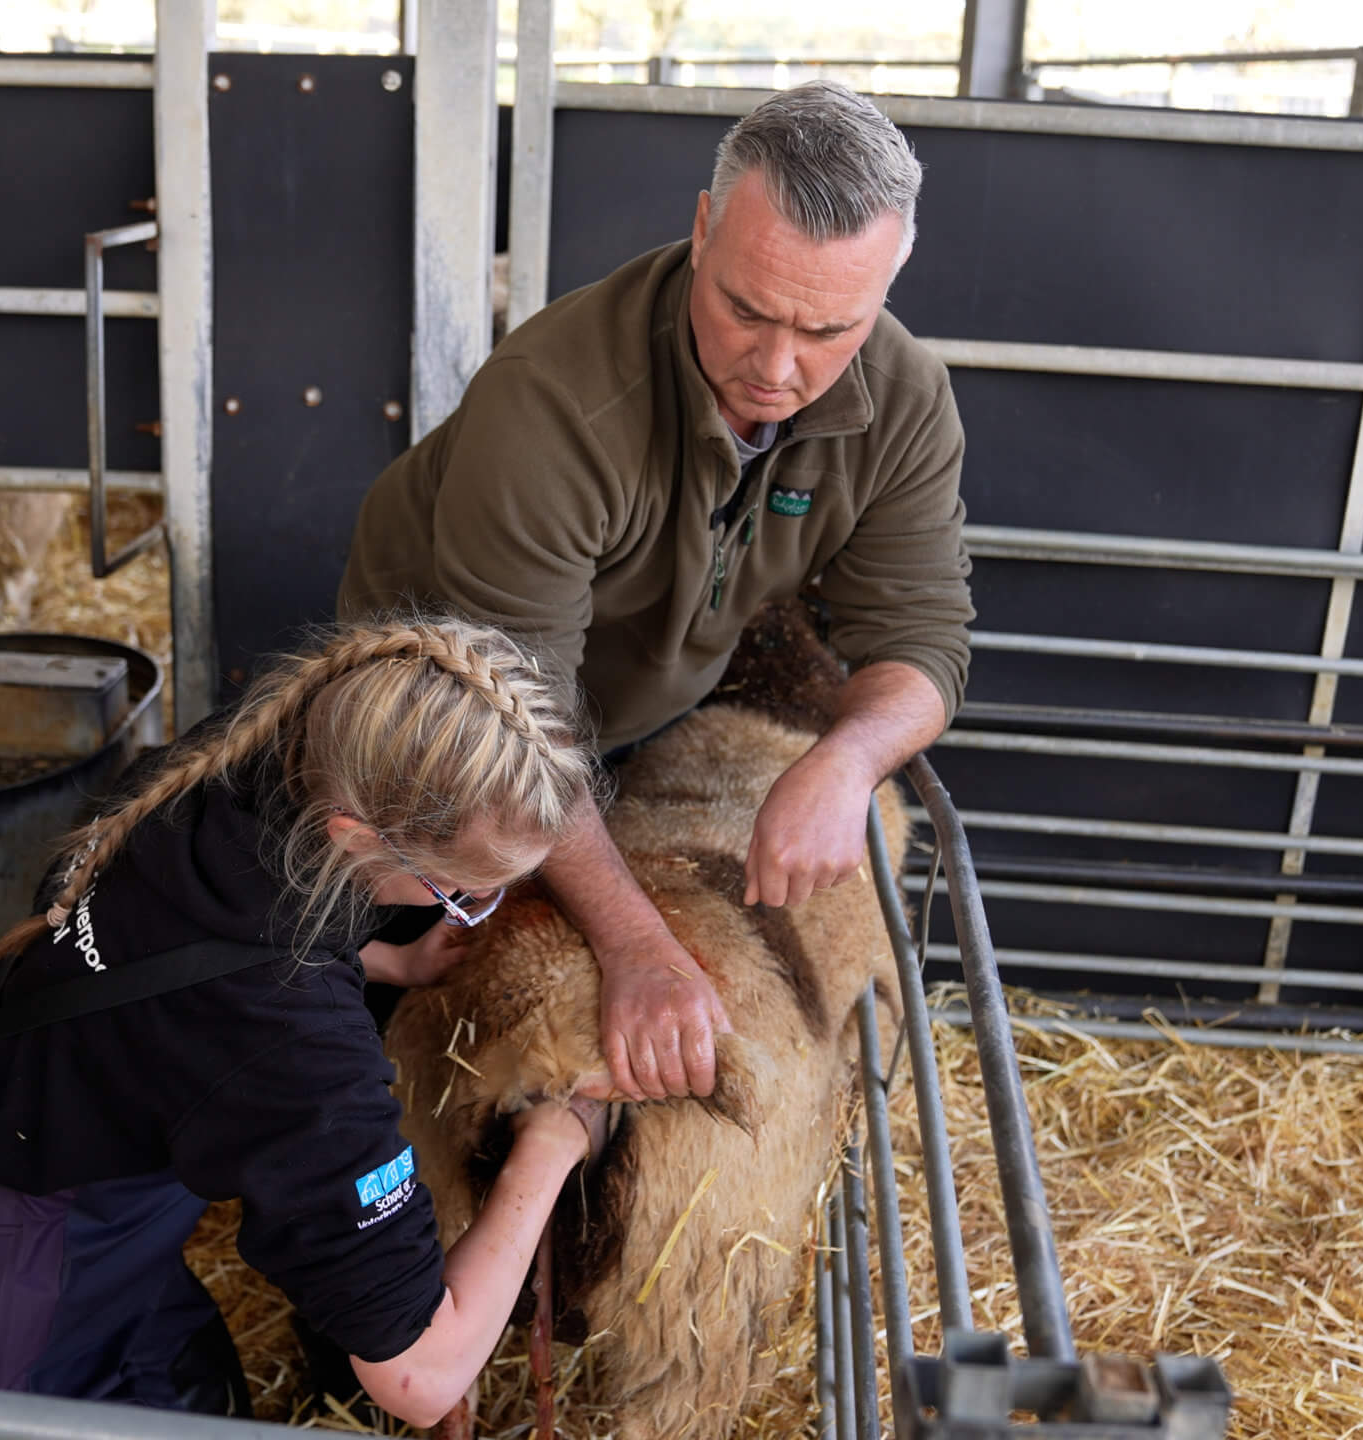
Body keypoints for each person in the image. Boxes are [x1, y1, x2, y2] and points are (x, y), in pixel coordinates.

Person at [339, 81, 973, 1105]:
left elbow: (925, 634)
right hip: (437, 727)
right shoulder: (552, 404)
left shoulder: (903, 399)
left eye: (828, 328)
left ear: (889, 279)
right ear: (703, 228)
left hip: (628, 710)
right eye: (745, 309)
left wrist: (849, 760)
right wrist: (635, 942)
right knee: (388, 1011)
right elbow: (516, 725)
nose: (776, 367)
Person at [0, 616, 609, 1431]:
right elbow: (422, 1375)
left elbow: (186, 959)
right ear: (354, 836)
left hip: (38, 1181)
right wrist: (554, 1142)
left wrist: (386, 962)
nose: (475, 907)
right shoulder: (295, 1041)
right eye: (461, 893)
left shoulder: (251, 753)